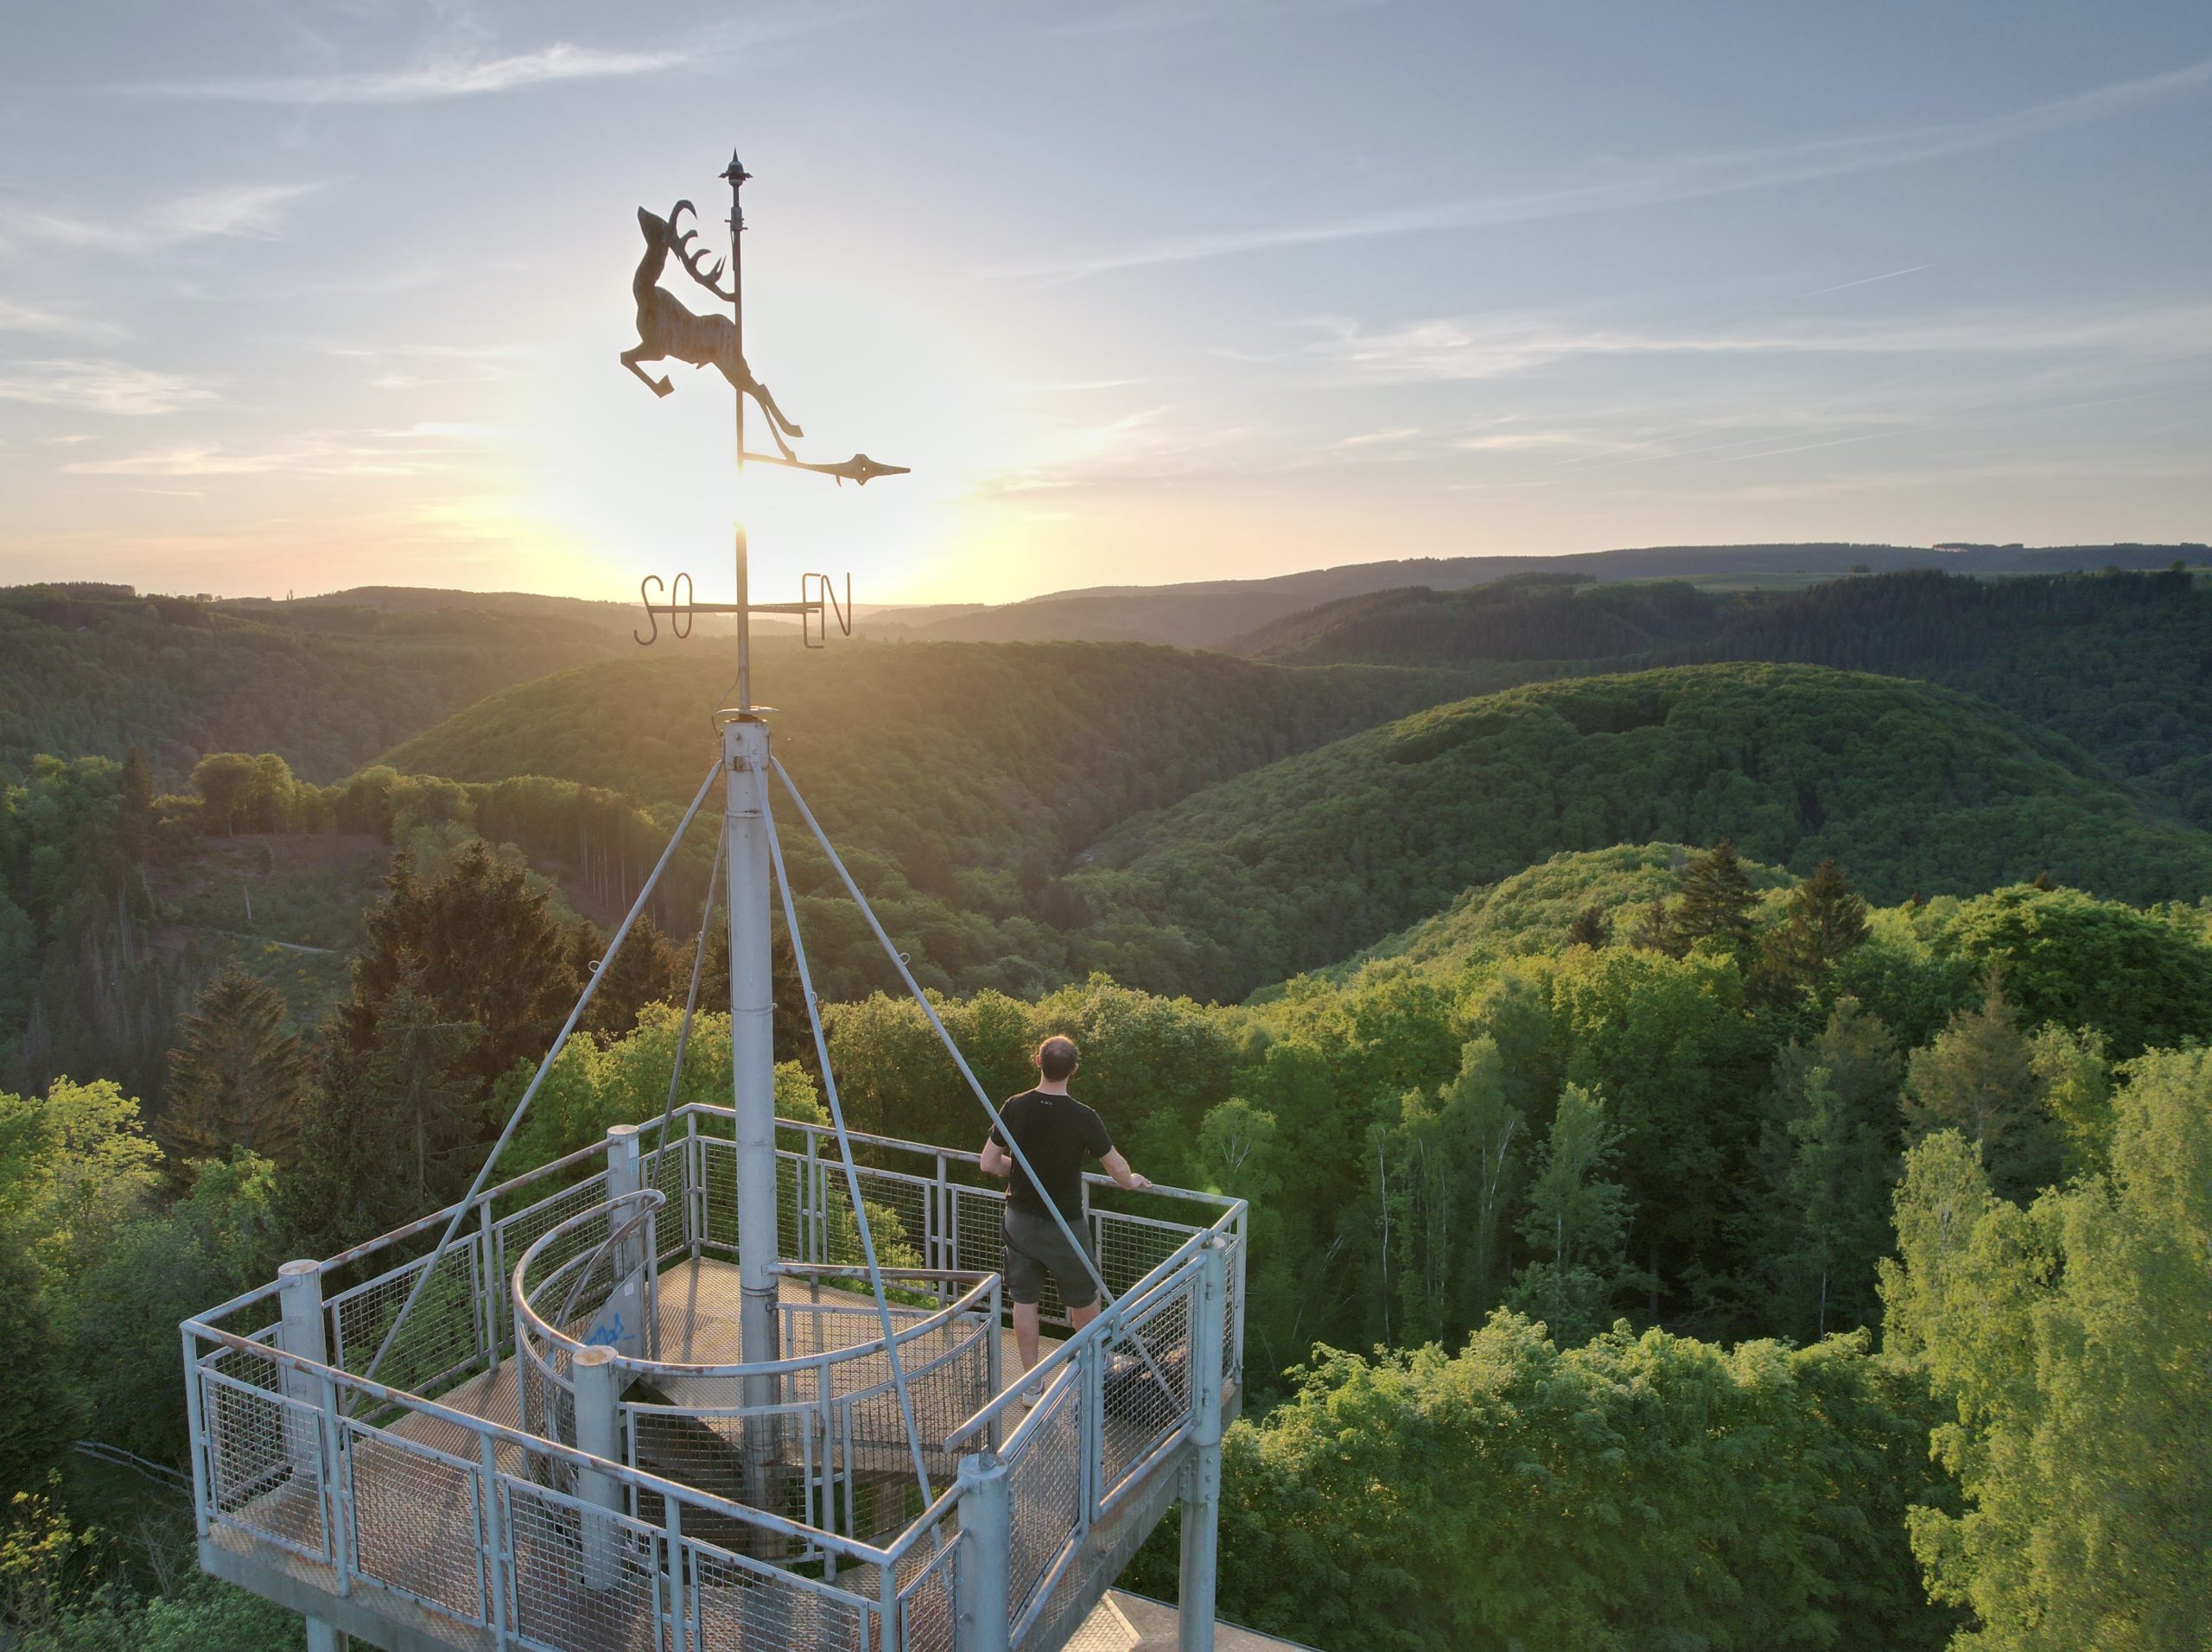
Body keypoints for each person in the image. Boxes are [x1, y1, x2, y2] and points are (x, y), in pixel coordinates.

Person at [980, 1034, 1150, 1397]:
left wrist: (1022, 1172)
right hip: (1064, 1224)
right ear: (1074, 1069)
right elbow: (1117, 1169)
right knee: (1083, 1297)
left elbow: (988, 1163)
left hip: (1020, 1220)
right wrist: (1133, 1182)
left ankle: (1031, 1385)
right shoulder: (1083, 1116)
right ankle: (1093, 1371)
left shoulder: (1014, 1106)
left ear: (1038, 1061)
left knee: (1024, 1300)